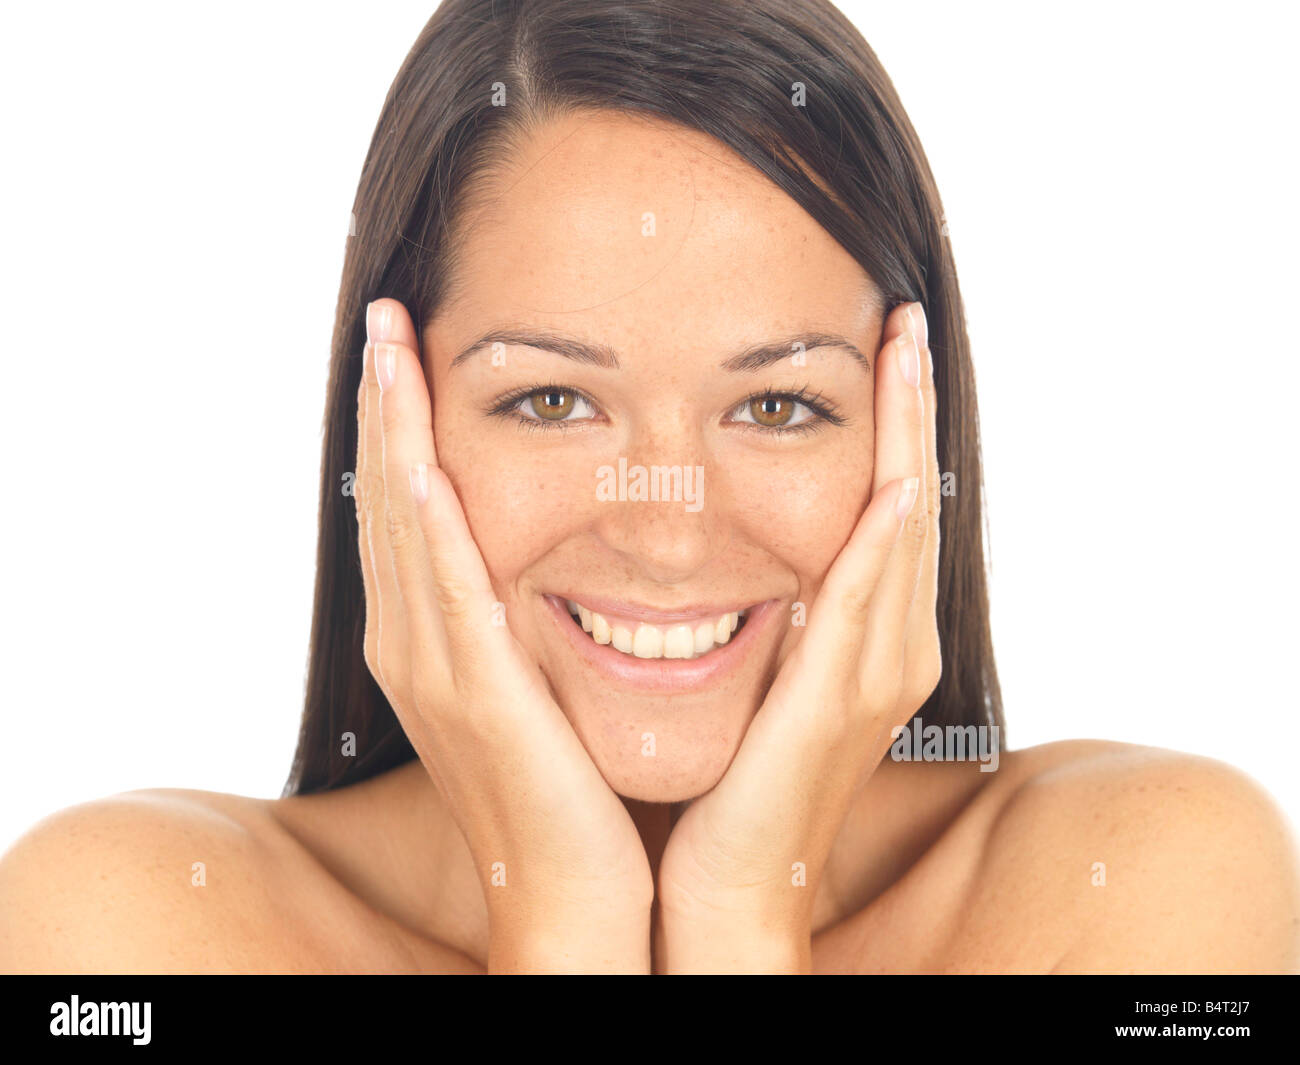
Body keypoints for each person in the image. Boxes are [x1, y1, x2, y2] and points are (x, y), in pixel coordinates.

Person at [2, 0, 1296, 974]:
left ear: (912, 432)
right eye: (551, 399)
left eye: (779, 404)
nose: (670, 528)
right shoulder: (123, 932)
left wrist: (741, 912)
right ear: (390, 432)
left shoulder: (1149, 888)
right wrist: (561, 917)